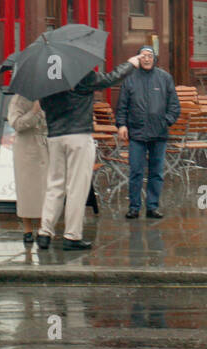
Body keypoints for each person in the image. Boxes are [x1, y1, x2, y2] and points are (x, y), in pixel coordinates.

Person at [38, 54, 141, 252]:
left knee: (54, 185)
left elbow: (44, 105)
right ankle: (72, 235)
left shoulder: (48, 79)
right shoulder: (80, 73)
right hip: (78, 135)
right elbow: (108, 80)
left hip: (55, 136)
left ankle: (45, 232)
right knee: (77, 186)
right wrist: (130, 64)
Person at [116, 46, 180, 219]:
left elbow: (174, 105)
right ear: (138, 58)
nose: (146, 59)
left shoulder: (165, 78)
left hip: (159, 134)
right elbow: (122, 105)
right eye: (143, 56)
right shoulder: (130, 79)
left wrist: (166, 121)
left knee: (156, 172)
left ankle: (152, 206)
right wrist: (121, 125)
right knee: (136, 171)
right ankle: (134, 207)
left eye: (149, 56)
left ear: (154, 58)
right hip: (136, 133)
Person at [8, 94, 49, 243]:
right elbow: (16, 124)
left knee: (45, 190)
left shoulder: (49, 97)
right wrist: (34, 111)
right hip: (26, 149)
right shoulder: (18, 99)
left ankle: (43, 228)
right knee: (26, 189)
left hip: (46, 148)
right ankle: (27, 229)